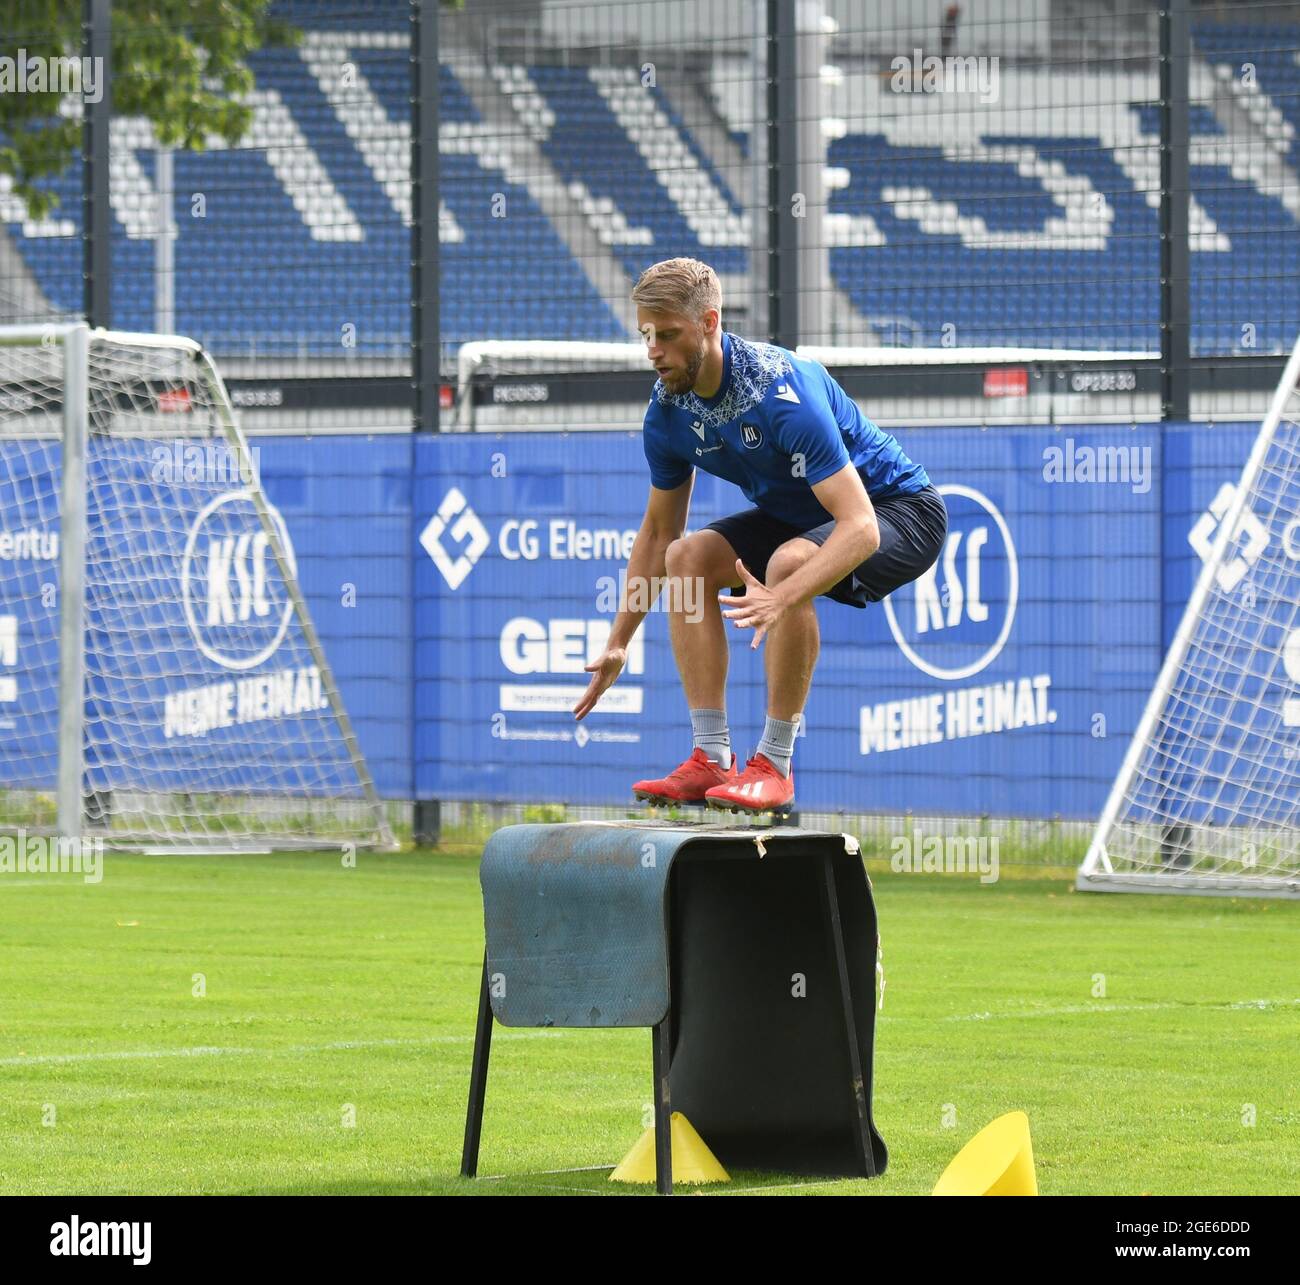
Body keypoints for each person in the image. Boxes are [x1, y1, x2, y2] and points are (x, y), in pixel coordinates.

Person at [573, 258, 947, 813]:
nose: (653, 350)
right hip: (800, 517)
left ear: (710, 323)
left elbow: (862, 528)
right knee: (687, 556)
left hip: (899, 512)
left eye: (668, 335)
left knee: (788, 565)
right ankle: (710, 758)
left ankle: (774, 764)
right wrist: (619, 641)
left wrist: (782, 596)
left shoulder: (780, 391)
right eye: (646, 335)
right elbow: (657, 536)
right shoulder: (667, 411)